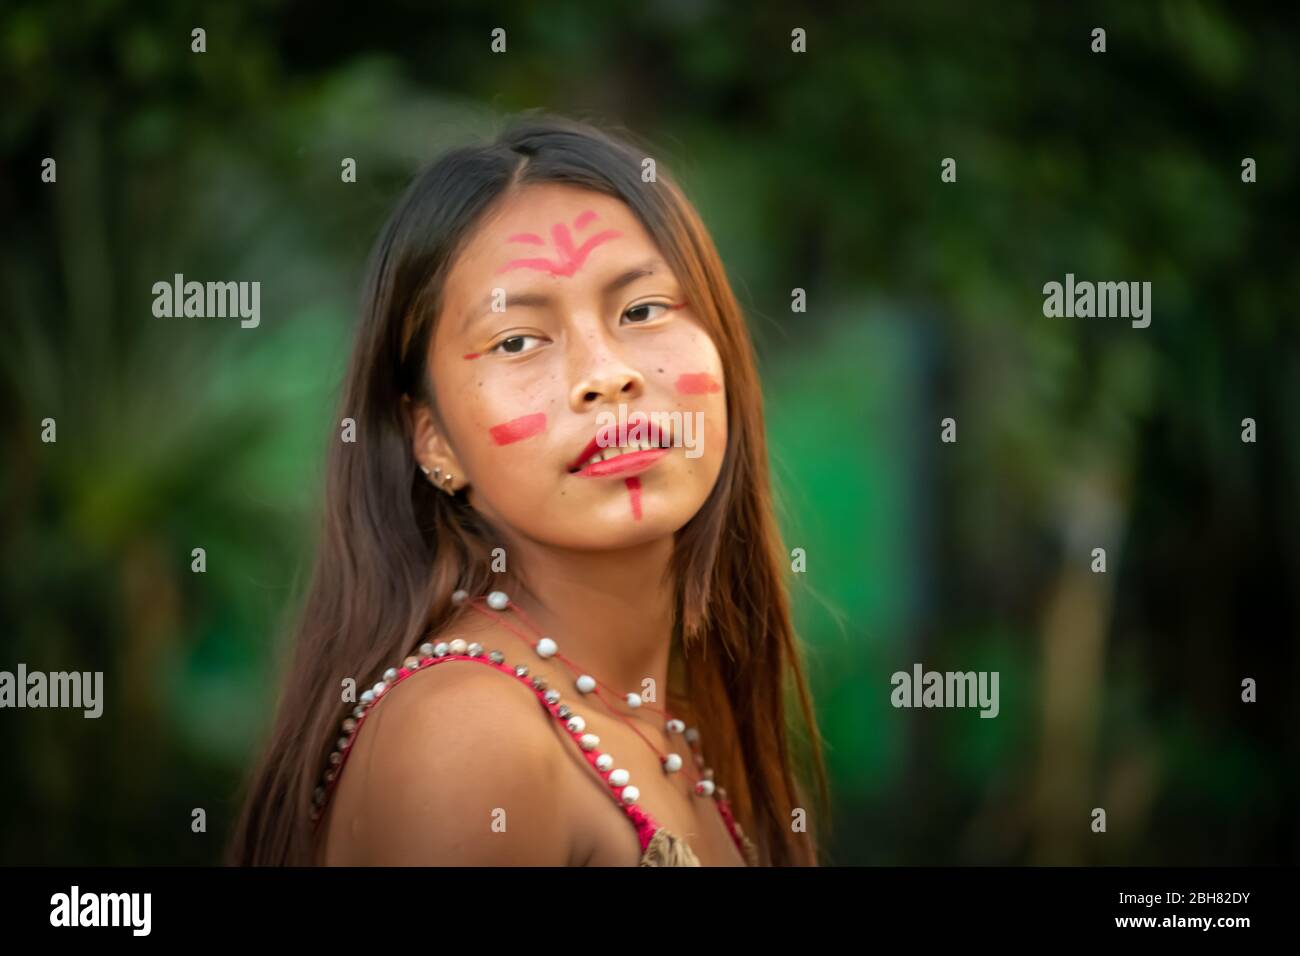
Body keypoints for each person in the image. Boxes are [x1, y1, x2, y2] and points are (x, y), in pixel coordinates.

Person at [229, 115, 826, 866]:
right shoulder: (469, 740)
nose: (607, 374)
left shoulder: (670, 717)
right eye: (517, 340)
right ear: (433, 440)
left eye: (642, 310)